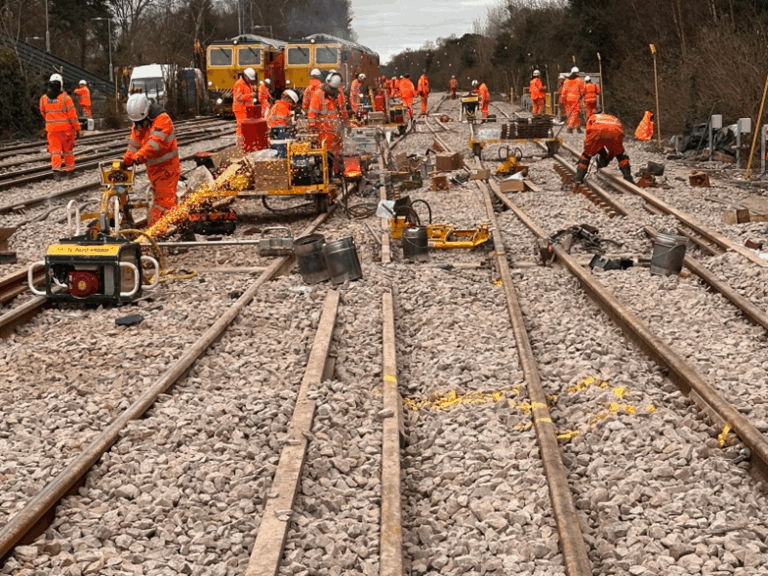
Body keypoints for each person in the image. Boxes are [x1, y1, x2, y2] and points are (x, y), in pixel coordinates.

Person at [123, 93, 180, 225]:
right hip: (154, 172)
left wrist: (136, 158)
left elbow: (153, 146)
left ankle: (155, 238)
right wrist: (126, 159)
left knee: (163, 207)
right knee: (166, 204)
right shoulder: (139, 123)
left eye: (139, 123)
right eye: (135, 123)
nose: (138, 126)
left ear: (147, 114)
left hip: (167, 171)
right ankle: (183, 229)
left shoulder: (162, 120)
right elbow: (134, 145)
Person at [39, 73, 81, 180]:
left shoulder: (43, 99)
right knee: (68, 151)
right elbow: (73, 116)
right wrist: (77, 129)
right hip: (66, 130)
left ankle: (56, 173)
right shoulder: (66, 98)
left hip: (52, 130)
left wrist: (51, 121)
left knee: (55, 151)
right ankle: (70, 171)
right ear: (61, 84)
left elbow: (43, 112)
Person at [574, 113, 633, 184]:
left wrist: (589, 151)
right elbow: (618, 134)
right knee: (620, 156)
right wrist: (608, 158)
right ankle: (628, 178)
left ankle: (578, 179)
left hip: (597, 131)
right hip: (615, 131)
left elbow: (589, 134)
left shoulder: (592, 117)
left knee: (586, 156)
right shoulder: (613, 117)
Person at [308, 72, 344, 172]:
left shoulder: (336, 95)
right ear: (327, 84)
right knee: (326, 159)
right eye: (331, 89)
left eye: (334, 89)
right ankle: (327, 175)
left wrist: (346, 124)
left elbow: (341, 112)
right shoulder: (317, 95)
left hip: (334, 133)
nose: (333, 91)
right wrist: (313, 132)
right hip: (323, 134)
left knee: (336, 156)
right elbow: (312, 115)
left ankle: (335, 173)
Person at [267, 89, 299, 158]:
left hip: (272, 136)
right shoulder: (282, 108)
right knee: (282, 158)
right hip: (278, 139)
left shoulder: (277, 106)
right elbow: (281, 126)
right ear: (290, 100)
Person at [232, 67, 256, 149]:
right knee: (241, 127)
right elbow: (239, 97)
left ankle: (245, 143)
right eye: (249, 78)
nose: (250, 80)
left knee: (246, 127)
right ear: (245, 76)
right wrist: (250, 96)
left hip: (246, 109)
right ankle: (240, 144)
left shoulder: (247, 84)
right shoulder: (239, 84)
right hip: (240, 109)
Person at [560, 66, 585, 132]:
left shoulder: (566, 81)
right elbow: (582, 91)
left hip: (567, 99)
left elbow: (563, 92)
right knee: (575, 113)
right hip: (576, 99)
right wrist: (582, 96)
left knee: (569, 113)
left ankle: (577, 127)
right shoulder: (579, 81)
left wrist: (562, 100)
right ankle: (570, 127)